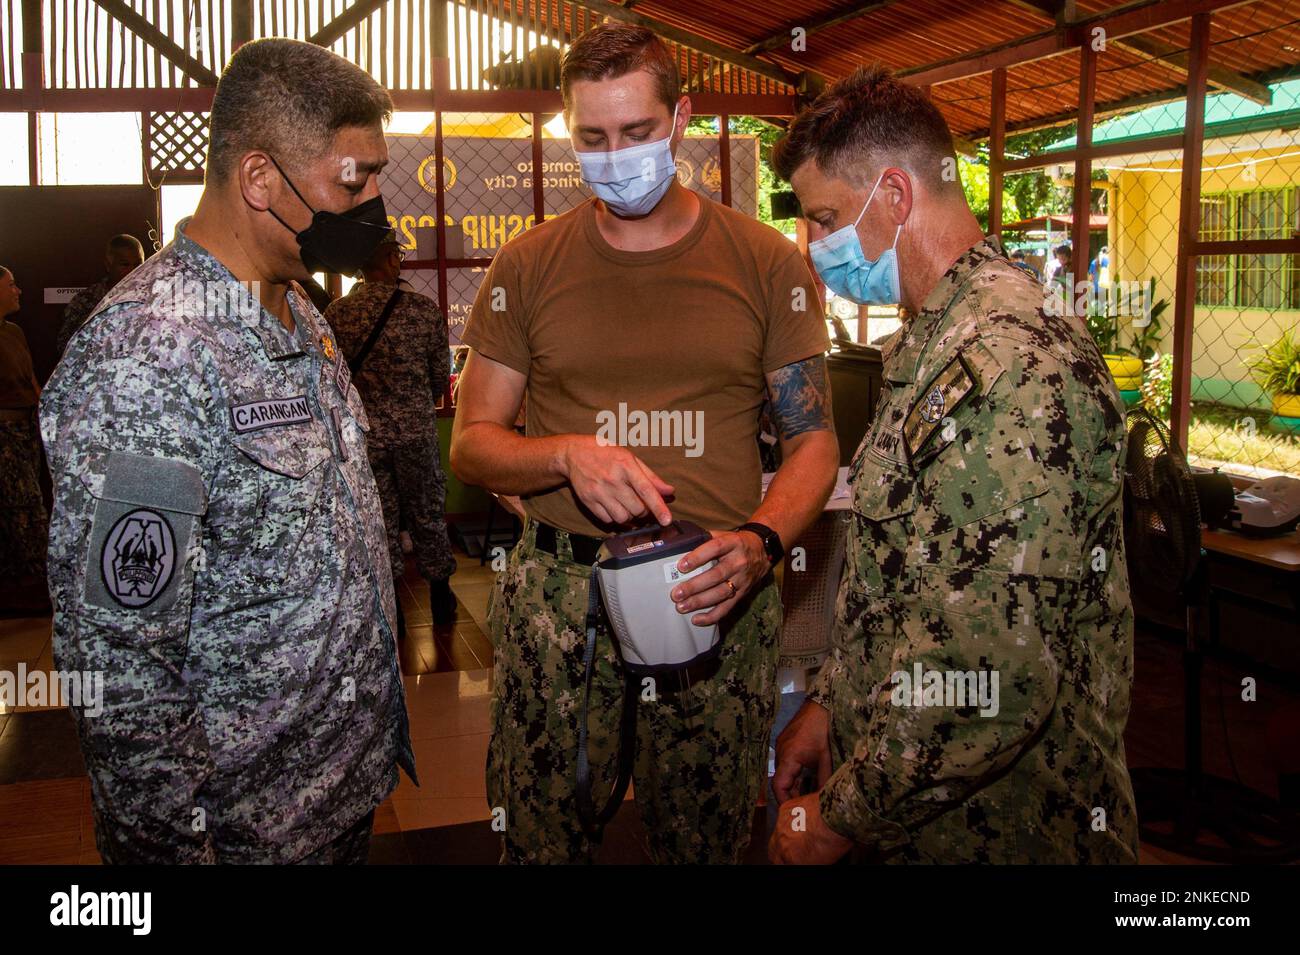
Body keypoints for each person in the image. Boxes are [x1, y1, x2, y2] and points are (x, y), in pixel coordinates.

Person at [451, 22, 838, 864]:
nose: (614, 154)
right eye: (591, 137)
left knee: (706, 835)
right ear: (566, 130)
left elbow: (813, 442)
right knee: (543, 833)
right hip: (561, 597)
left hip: (715, 590)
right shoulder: (527, 268)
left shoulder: (766, 264)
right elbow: (471, 444)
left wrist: (762, 543)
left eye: (635, 132)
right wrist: (562, 455)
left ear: (681, 119)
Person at [40, 37, 415, 864]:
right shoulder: (149, 356)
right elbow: (123, 664)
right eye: (354, 178)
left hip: (335, 801)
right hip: (242, 834)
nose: (377, 204)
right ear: (259, 180)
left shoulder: (297, 309)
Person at [769, 66, 1137, 864]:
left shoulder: (1009, 362)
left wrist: (837, 815)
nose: (815, 244)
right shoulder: (932, 345)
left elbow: (988, 683)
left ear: (895, 195)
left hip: (1008, 830)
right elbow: (913, 584)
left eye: (826, 217)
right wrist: (832, 703)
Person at [325, 230, 457, 626]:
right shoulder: (422, 310)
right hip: (415, 432)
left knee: (379, 516)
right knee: (427, 511)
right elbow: (440, 379)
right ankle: (440, 593)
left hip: (367, 437)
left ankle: (393, 602)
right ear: (391, 261)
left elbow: (332, 380)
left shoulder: (337, 314)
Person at [0, 267, 50, 612]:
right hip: (4, 435)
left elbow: (31, 379)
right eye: (11, 285)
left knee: (35, 505)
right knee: (22, 508)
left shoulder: (14, 332)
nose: (18, 291)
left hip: (27, 429)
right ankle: (24, 587)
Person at [57, 234, 146, 356]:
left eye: (138, 264)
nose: (133, 271)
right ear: (109, 265)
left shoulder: (150, 299)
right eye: (125, 264)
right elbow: (66, 346)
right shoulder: (86, 301)